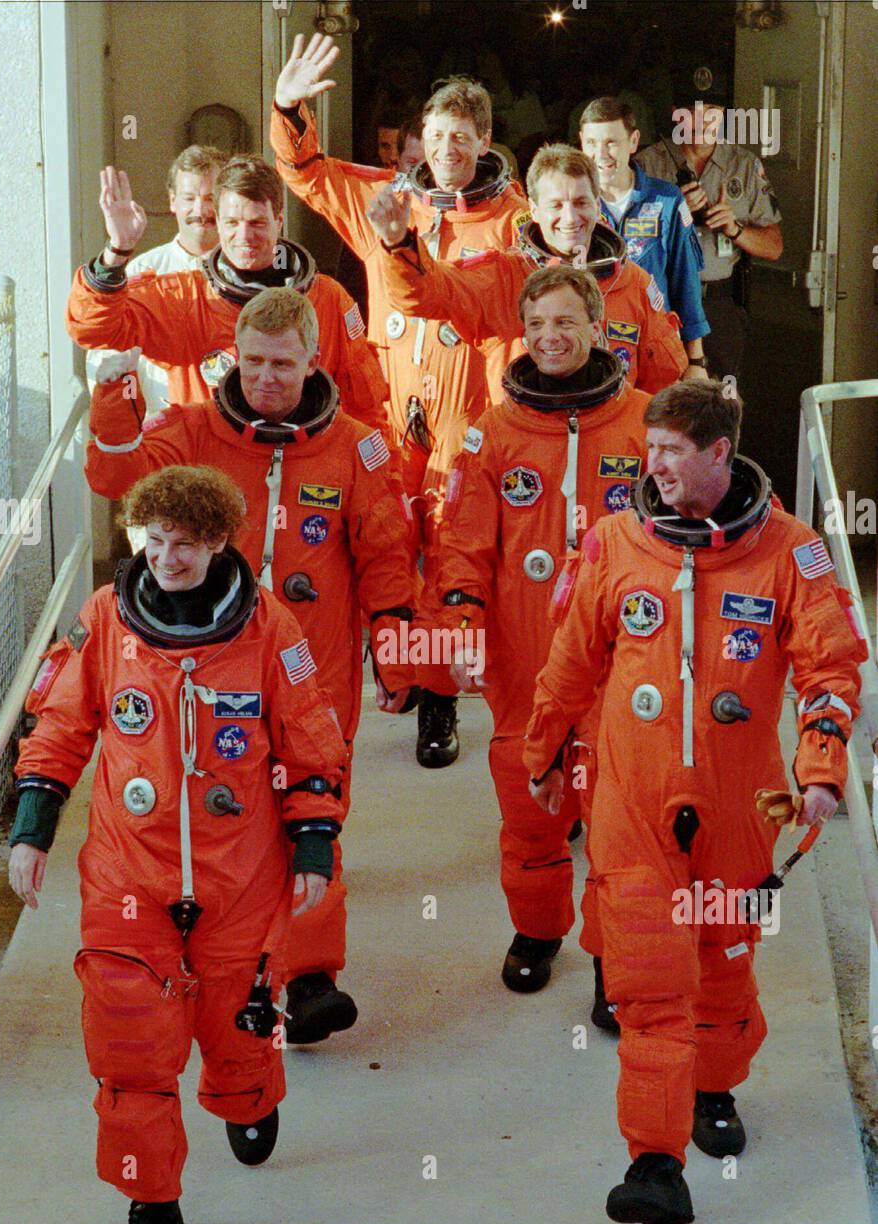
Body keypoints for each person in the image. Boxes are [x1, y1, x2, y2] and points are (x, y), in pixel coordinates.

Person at [523, 381, 865, 1224]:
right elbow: (569, 660)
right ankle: (653, 1159)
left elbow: (830, 667)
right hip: (633, 803)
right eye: (651, 451)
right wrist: (541, 749)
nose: (656, 466)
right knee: (646, 985)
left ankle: (715, 1087)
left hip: (737, 809)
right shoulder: (612, 544)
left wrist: (820, 766)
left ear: (720, 454)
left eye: (674, 452)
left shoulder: (793, 552)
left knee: (721, 964)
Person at [7, 466, 348, 1224]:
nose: (164, 558)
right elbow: (59, 728)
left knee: (237, 1015)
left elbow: (310, 740)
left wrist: (312, 846)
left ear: (221, 543)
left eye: (185, 546)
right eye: (152, 541)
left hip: (239, 874)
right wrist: (32, 828)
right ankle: (151, 1204)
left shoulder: (274, 632)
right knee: (129, 1040)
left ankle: (247, 1093)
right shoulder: (103, 623)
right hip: (131, 871)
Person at [84, 288, 416, 1044]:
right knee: (227, 824)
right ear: (236, 357)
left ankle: (310, 975)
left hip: (314, 671)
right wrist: (111, 396)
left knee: (313, 813)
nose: (268, 378)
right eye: (255, 362)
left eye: (284, 365)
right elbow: (118, 479)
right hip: (203, 674)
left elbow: (387, 556)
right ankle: (234, 969)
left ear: (313, 360)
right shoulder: (193, 428)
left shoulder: (358, 446)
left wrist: (396, 654)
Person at [271, 34, 530, 769]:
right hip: (388, 408)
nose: (447, 147)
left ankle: (440, 704)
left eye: (462, 136)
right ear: (421, 136)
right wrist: (288, 105)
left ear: (485, 140)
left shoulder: (512, 220)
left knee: (449, 555)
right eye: (436, 134)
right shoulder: (390, 199)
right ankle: (401, 671)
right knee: (384, 545)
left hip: (465, 414)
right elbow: (308, 173)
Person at [422, 265, 650, 994]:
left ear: (595, 328)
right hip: (526, 657)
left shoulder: (647, 420)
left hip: (622, 660)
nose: (551, 339)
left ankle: (619, 955)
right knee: (529, 806)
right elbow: (462, 543)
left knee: (623, 820)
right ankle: (538, 928)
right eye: (538, 325)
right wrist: (458, 625)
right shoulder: (493, 433)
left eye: (566, 323)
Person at [367, 141, 689, 425]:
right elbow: (429, 294)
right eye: (556, 205)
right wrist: (399, 245)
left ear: (597, 204)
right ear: (533, 210)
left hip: (606, 458)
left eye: (581, 202)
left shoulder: (633, 284)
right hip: (522, 450)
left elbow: (661, 386)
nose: (570, 218)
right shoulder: (503, 277)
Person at [66, 155, 388, 430]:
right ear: (217, 222)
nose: (244, 236)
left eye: (257, 223)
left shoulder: (327, 299)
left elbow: (367, 411)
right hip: (209, 475)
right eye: (232, 222)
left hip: (301, 472)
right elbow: (93, 329)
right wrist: (117, 253)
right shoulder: (184, 299)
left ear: (279, 220)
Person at [637, 94, 783, 384]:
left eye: (712, 113)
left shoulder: (744, 165)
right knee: (661, 404)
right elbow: (629, 244)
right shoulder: (647, 165)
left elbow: (775, 247)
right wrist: (675, 213)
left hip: (719, 305)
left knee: (723, 406)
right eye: (693, 113)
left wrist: (735, 229)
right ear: (676, 114)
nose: (703, 123)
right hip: (662, 305)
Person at [86, 145, 226, 420]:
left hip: (231, 428)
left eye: (210, 198)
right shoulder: (141, 271)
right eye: (189, 198)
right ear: (172, 201)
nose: (200, 209)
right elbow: (106, 357)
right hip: (159, 427)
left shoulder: (246, 270)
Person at [578, 98, 709, 375]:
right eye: (592, 143)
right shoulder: (572, 205)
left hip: (654, 351)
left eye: (611, 142)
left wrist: (696, 361)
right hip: (590, 354)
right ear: (581, 142)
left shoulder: (666, 201)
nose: (600, 154)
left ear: (634, 141)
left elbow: (686, 282)